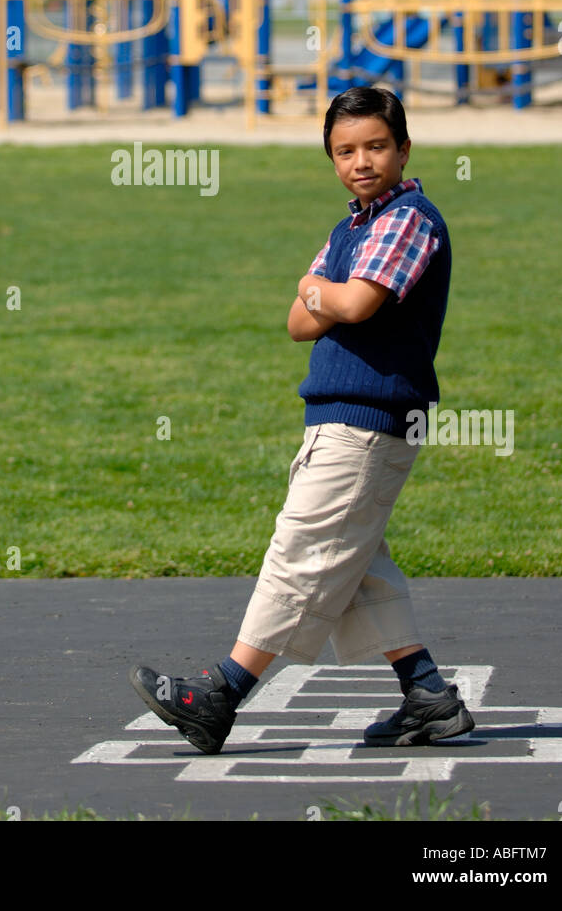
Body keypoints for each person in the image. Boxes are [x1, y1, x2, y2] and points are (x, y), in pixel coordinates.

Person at [129, 85, 475, 754]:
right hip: (337, 417)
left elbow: (353, 306)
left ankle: (220, 693)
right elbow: (297, 323)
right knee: (356, 566)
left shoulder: (408, 218)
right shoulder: (351, 228)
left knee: (303, 552)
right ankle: (427, 695)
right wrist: (323, 295)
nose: (361, 161)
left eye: (376, 145)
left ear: (403, 148)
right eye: (344, 150)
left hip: (368, 419)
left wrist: (318, 291)